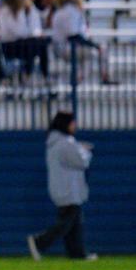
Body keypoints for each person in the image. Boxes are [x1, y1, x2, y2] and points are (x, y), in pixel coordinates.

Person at [27, 112, 96, 261]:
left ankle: (77, 253)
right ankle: (39, 242)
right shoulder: (66, 143)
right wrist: (84, 150)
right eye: (72, 123)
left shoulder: (54, 142)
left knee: (73, 223)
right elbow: (81, 162)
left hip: (61, 188)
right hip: (70, 189)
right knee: (66, 223)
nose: (74, 126)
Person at [49, 0, 113, 84]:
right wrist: (94, 45)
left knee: (94, 53)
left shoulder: (66, 9)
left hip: (69, 46)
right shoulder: (69, 10)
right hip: (66, 48)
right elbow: (73, 36)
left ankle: (77, 81)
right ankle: (81, 81)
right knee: (98, 51)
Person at [0, 0, 48, 78]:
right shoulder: (6, 10)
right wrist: (21, 10)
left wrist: (37, 34)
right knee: (31, 44)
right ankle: (26, 75)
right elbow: (18, 32)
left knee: (42, 44)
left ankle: (44, 76)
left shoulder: (31, 8)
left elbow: (36, 27)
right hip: (10, 45)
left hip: (26, 43)